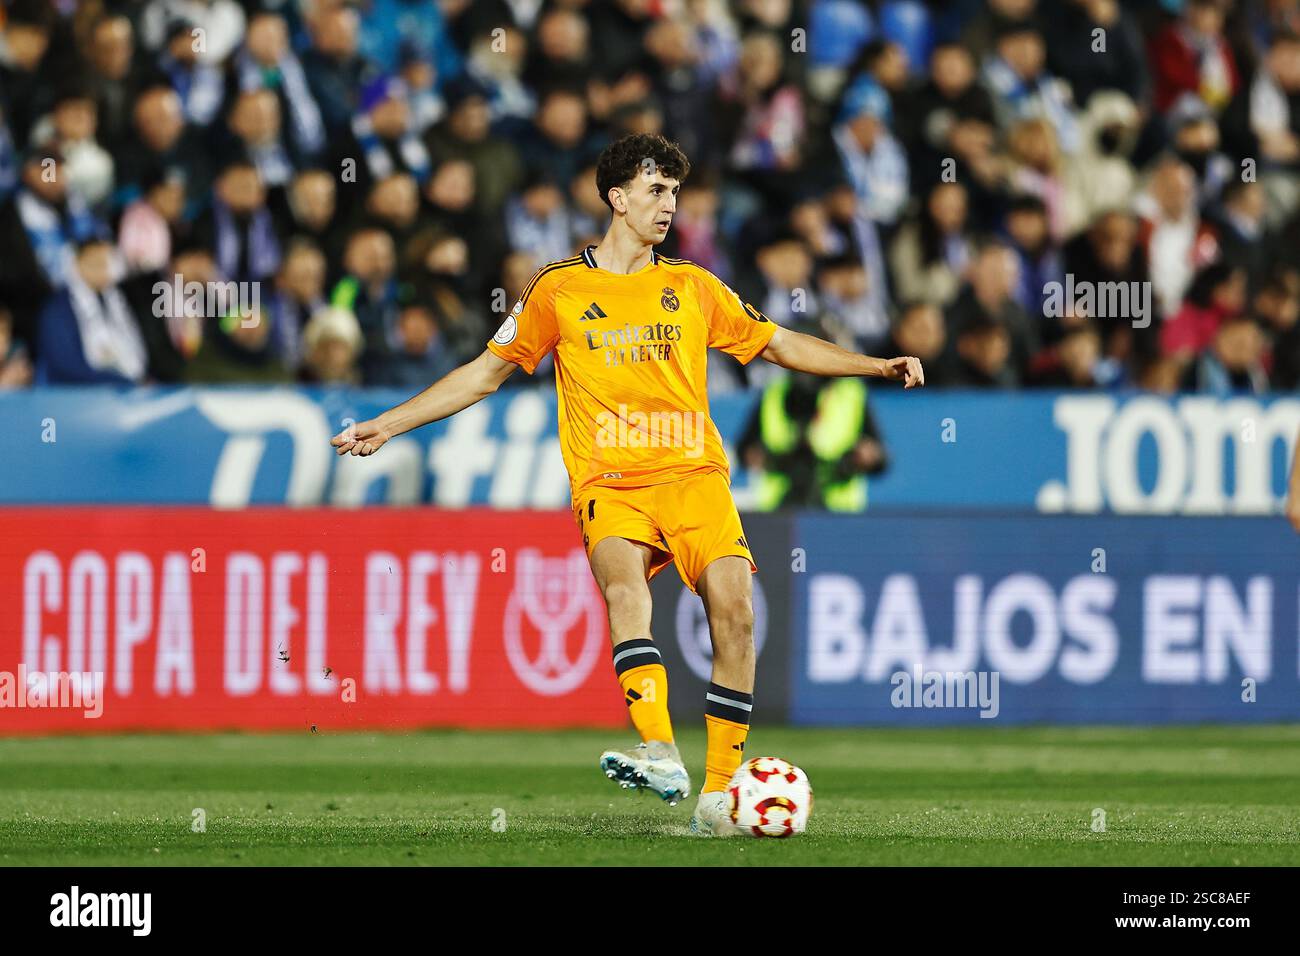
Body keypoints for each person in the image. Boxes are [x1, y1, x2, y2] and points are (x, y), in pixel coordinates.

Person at [331, 132, 925, 836]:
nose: (668, 204)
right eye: (655, 190)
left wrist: (874, 364)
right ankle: (660, 750)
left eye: (674, 192)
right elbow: (485, 372)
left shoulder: (693, 286)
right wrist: (392, 423)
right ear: (617, 198)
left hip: (694, 475)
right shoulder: (559, 289)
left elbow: (777, 343)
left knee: (735, 614)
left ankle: (718, 793)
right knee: (624, 588)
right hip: (610, 480)